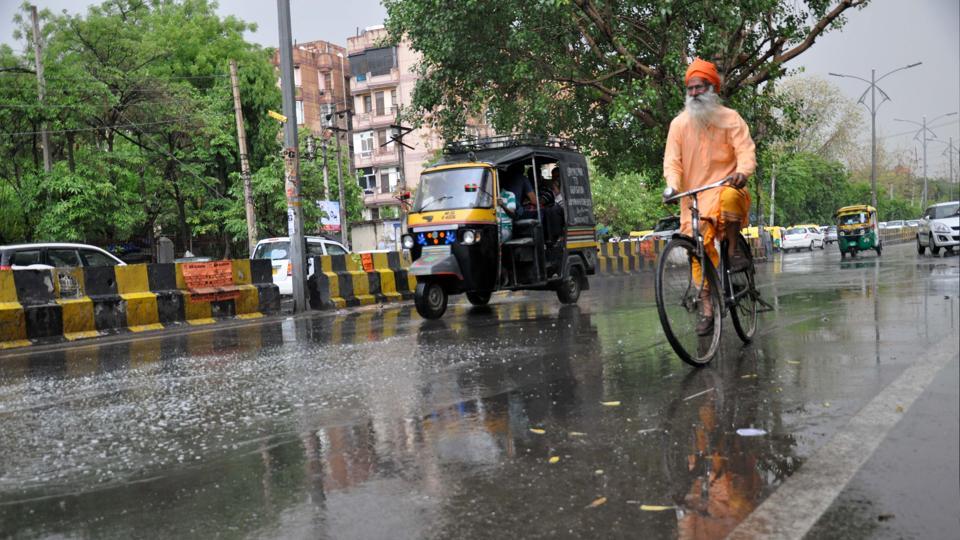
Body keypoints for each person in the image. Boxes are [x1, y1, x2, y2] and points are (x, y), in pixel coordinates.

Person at [663, 57, 756, 335]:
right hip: (693, 198)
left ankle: (732, 248)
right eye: (690, 88)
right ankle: (707, 309)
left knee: (729, 198)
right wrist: (672, 186)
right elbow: (673, 163)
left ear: (712, 89)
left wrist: (743, 172)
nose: (694, 94)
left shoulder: (731, 119)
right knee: (696, 249)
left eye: (699, 87)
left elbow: (746, 152)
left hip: (728, 188)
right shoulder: (678, 125)